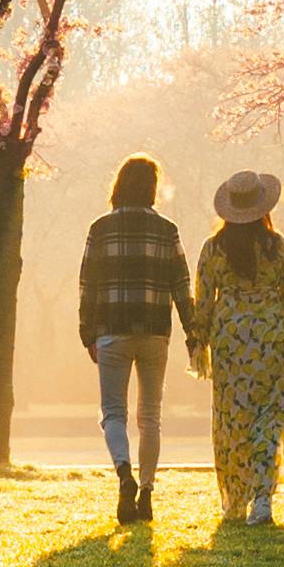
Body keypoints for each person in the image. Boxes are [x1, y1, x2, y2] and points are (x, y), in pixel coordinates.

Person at [76, 151, 198, 525]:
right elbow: (181, 283)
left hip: (111, 331)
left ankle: (124, 473)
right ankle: (146, 492)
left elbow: (87, 284)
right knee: (151, 417)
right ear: (152, 188)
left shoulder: (100, 228)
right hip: (154, 333)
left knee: (113, 413)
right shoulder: (166, 229)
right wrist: (192, 332)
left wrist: (88, 333)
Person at [193, 167, 284, 529]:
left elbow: (203, 301)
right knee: (268, 418)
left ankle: (234, 501)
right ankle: (262, 500)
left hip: (230, 341)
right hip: (271, 336)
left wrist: (200, 343)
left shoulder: (213, 249)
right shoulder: (276, 246)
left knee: (232, 419)